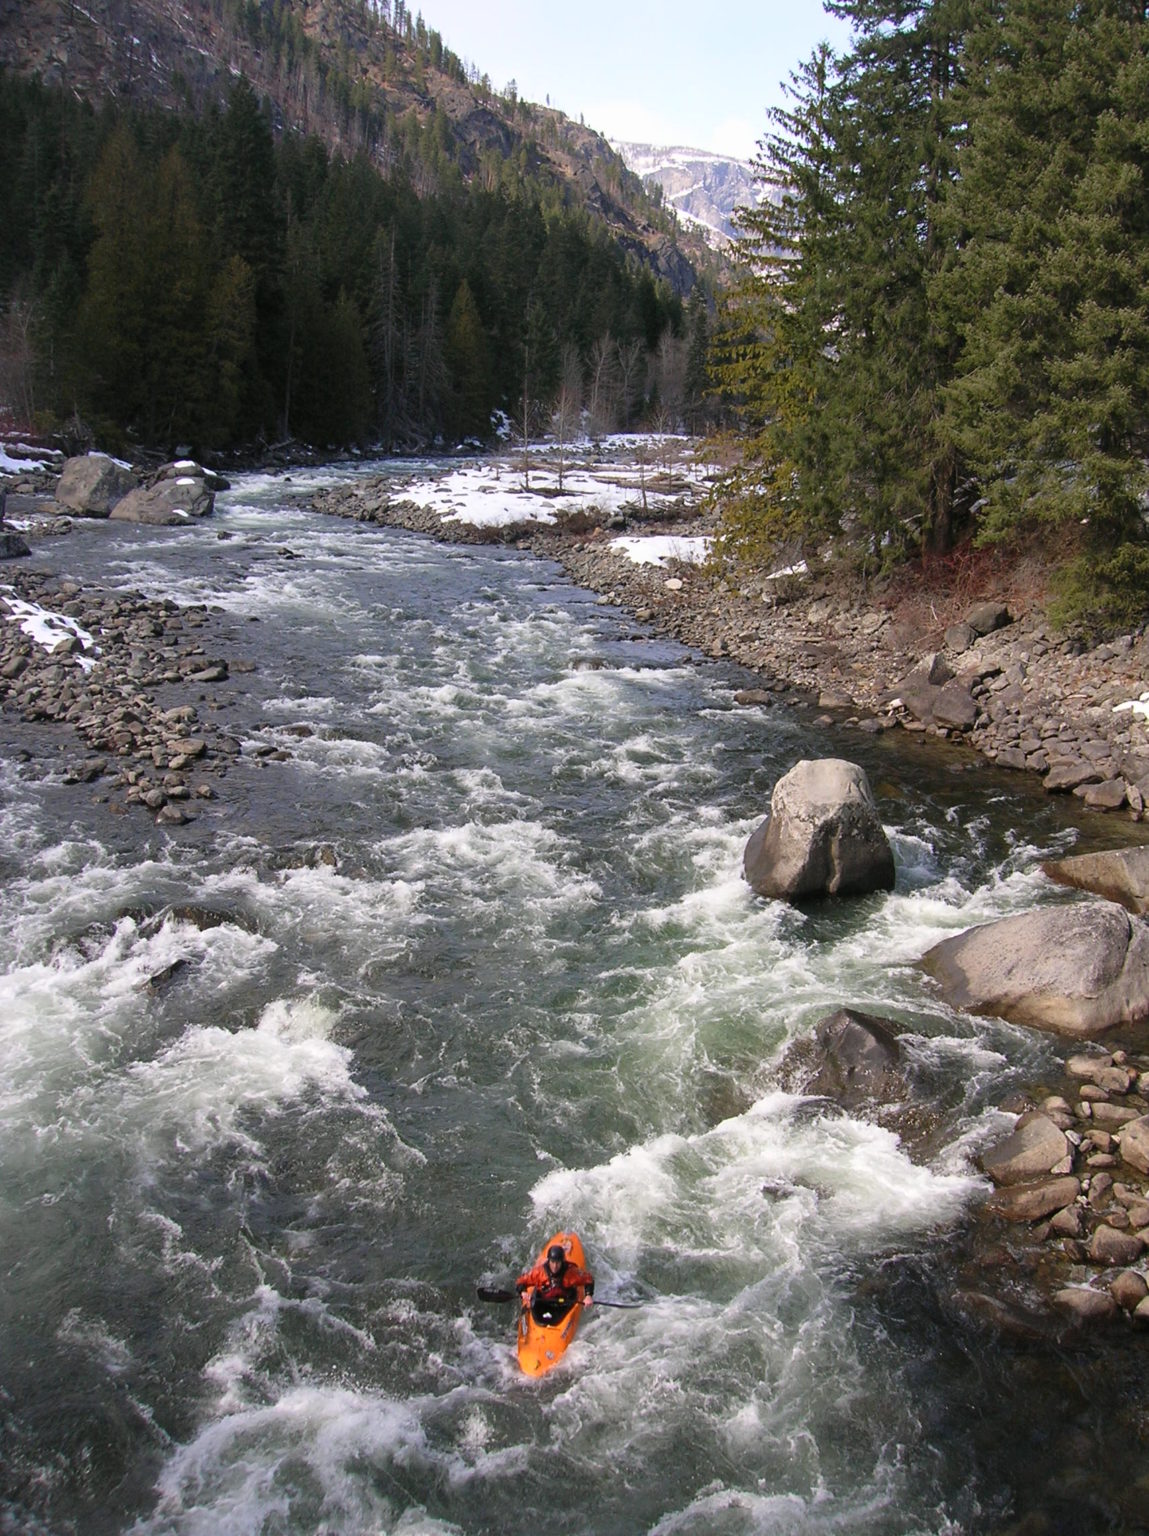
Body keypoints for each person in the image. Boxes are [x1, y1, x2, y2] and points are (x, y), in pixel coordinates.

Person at [515, 1242, 594, 1325]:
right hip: (544, 1302)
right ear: (549, 1260)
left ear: (562, 1262)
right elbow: (520, 1281)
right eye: (552, 1262)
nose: (555, 1266)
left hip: (564, 1304)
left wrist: (588, 1296)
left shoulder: (571, 1273)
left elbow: (589, 1280)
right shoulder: (539, 1272)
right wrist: (523, 1292)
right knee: (535, 1309)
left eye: (558, 1262)